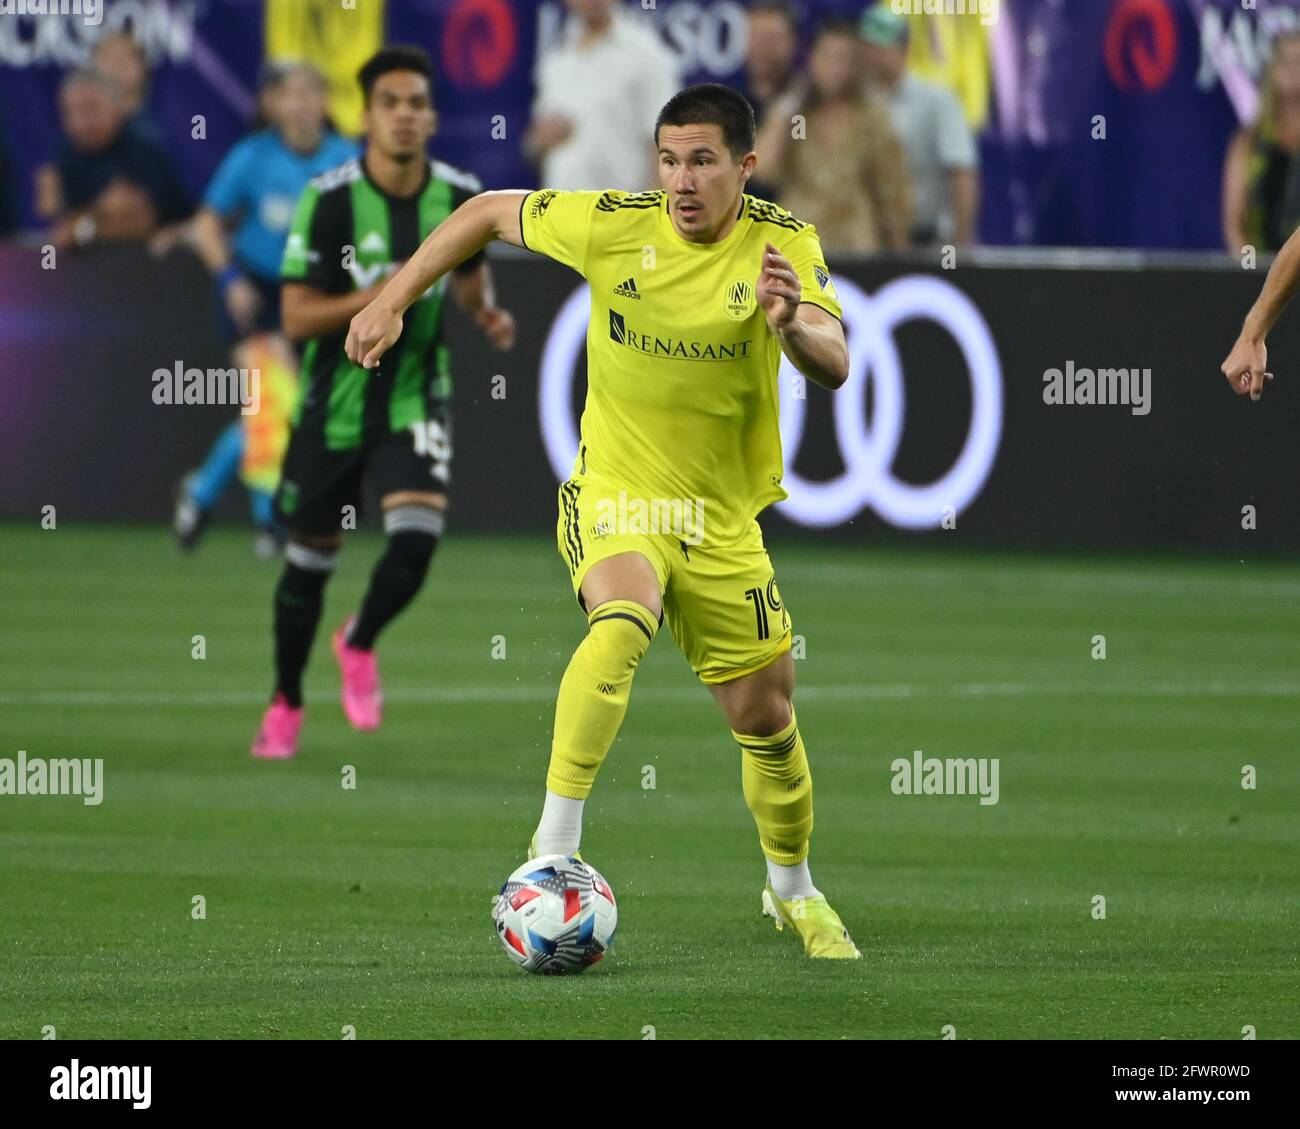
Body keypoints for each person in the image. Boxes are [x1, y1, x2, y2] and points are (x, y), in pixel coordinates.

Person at [347, 83, 861, 959]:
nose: (682, 179)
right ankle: (551, 853)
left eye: (702, 160)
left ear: (745, 164)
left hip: (720, 518)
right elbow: (482, 211)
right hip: (617, 491)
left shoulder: (784, 241)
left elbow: (836, 358)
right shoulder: (616, 222)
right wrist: (395, 297)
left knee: (767, 717)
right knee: (622, 620)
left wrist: (788, 329)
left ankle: (793, 890)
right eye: (668, 159)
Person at [250, 46, 517, 759]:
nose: (406, 115)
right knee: (308, 563)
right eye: (391, 103)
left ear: (431, 116)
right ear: (366, 115)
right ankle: (285, 699)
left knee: (417, 538)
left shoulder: (461, 192)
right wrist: (390, 294)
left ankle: (359, 637)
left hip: (414, 393)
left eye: (418, 103)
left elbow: (466, 277)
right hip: (335, 401)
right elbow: (298, 317)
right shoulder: (331, 197)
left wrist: (483, 311)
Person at [173, 63, 357, 555]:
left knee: (282, 409)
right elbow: (206, 224)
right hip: (255, 291)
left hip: (312, 294)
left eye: (309, 92)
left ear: (324, 101)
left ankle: (203, 492)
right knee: (275, 403)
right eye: (288, 94)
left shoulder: (347, 159)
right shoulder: (252, 157)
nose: (299, 104)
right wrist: (230, 279)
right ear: (272, 104)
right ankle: (269, 522)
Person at [755, 18, 911, 253]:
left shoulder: (872, 119)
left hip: (855, 246)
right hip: (798, 244)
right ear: (812, 61)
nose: (835, 68)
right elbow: (764, 170)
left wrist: (898, 251)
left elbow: (892, 193)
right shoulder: (797, 117)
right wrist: (789, 104)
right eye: (827, 57)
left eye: (844, 59)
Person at [523, 0, 682, 191]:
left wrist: (654, 214)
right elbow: (537, 148)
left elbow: (665, 140)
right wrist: (540, 142)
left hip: (623, 211)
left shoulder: (646, 54)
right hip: (560, 210)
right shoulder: (556, 60)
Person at [859, 3, 979, 248]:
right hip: (868, 244)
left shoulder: (937, 102)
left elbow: (962, 174)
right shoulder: (854, 105)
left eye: (881, 47)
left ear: (903, 48)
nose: (873, 55)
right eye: (868, 47)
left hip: (926, 242)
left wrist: (959, 245)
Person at [36, 68, 191, 250]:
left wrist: (82, 228)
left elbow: (137, 223)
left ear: (117, 107)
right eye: (71, 112)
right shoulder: (64, 151)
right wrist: (97, 215)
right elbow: (57, 219)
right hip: (90, 267)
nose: (80, 123)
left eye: (90, 109)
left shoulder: (144, 146)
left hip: (163, 261)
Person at [1223, 31, 1300, 255]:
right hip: (1259, 271)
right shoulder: (1249, 143)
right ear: (1273, 72)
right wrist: (1249, 268)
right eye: (1287, 63)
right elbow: (1233, 223)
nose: (1295, 73)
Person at [740, 0, 802, 202]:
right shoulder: (728, 103)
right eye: (756, 37)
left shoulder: (806, 103)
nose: (763, 48)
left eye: (772, 39)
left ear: (791, 42)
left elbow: (771, 172)